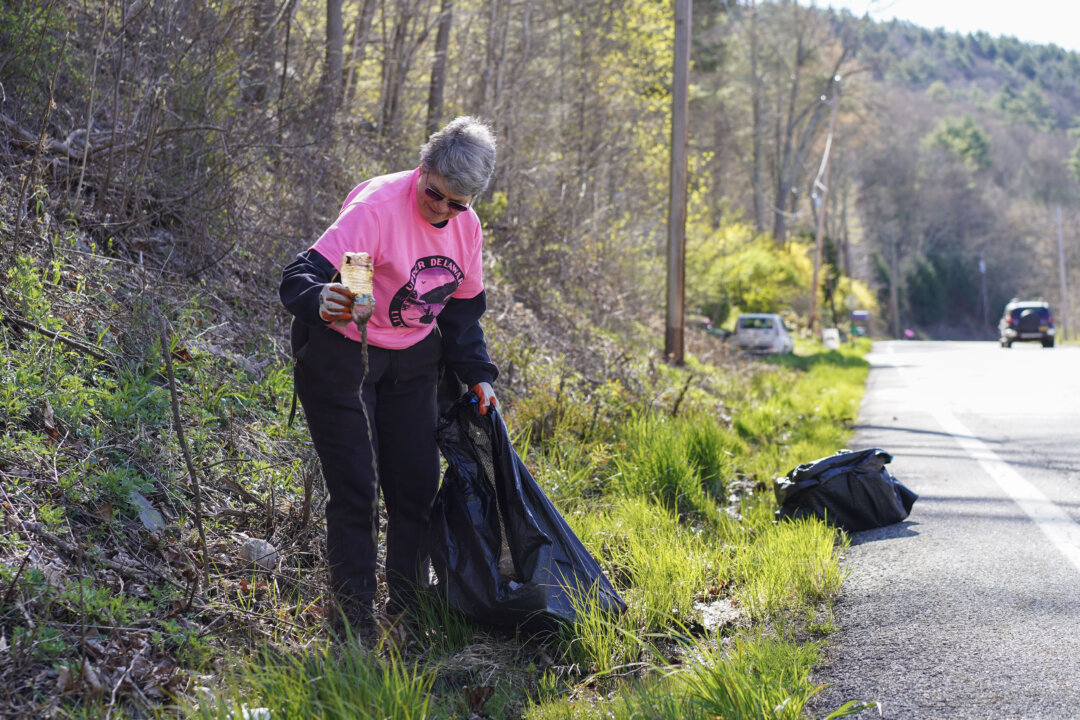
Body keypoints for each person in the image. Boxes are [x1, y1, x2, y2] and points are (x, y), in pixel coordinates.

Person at [279, 116, 499, 635]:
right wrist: (323, 299)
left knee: (416, 487)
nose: (442, 209)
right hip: (345, 358)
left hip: (415, 362)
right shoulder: (376, 210)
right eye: (435, 194)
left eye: (457, 204)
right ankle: (353, 619)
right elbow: (301, 278)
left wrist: (478, 376)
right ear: (423, 169)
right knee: (358, 487)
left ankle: (407, 608)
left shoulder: (465, 227)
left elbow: (462, 314)